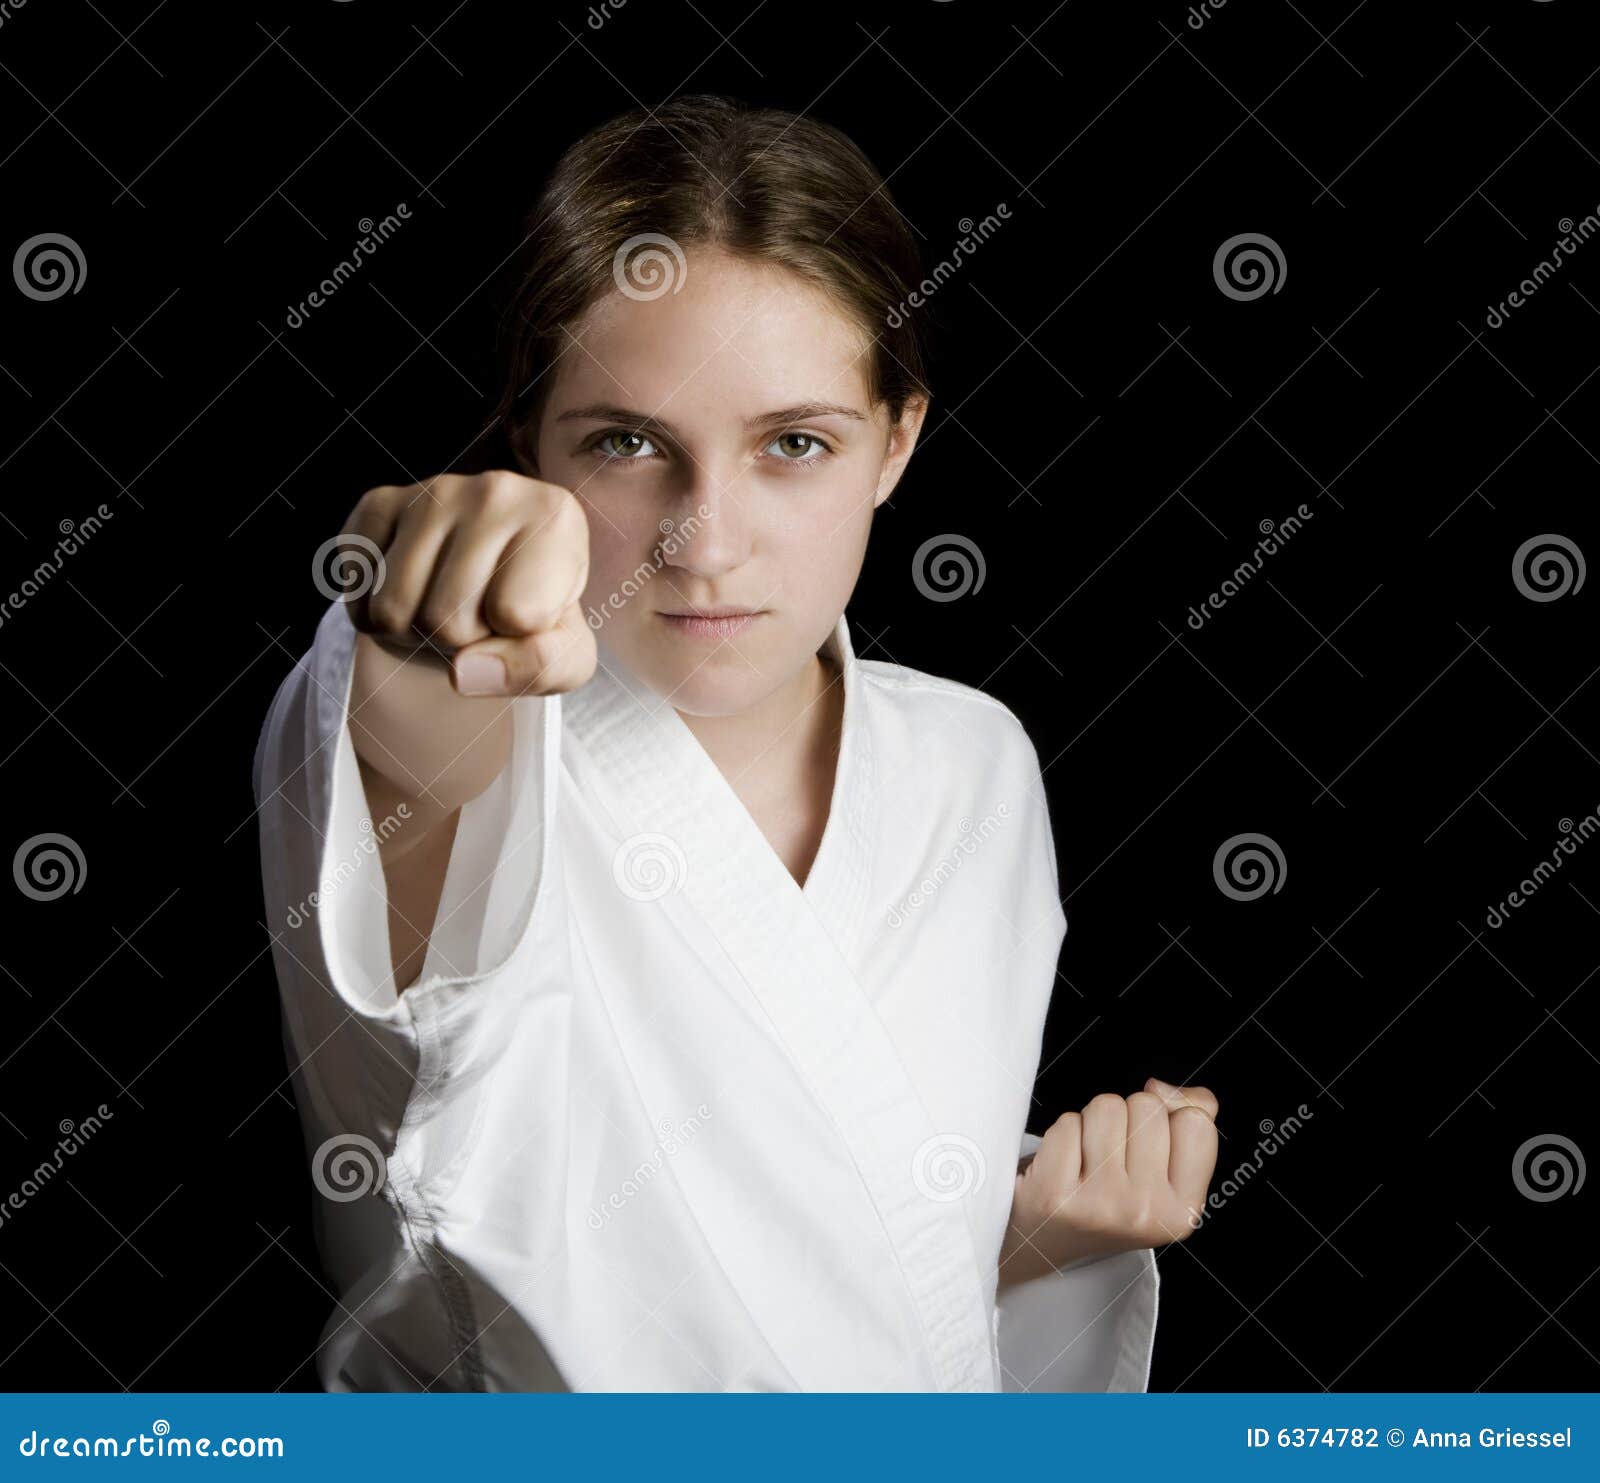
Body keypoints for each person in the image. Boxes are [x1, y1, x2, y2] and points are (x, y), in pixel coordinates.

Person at [253, 93, 1220, 1392]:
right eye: (628, 445)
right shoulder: (481, 722)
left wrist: (1037, 1237)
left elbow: (827, 1289)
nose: (702, 541)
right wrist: (423, 610)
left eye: (795, 445)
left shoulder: (972, 767)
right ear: (526, 447)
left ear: (897, 442)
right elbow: (418, 746)